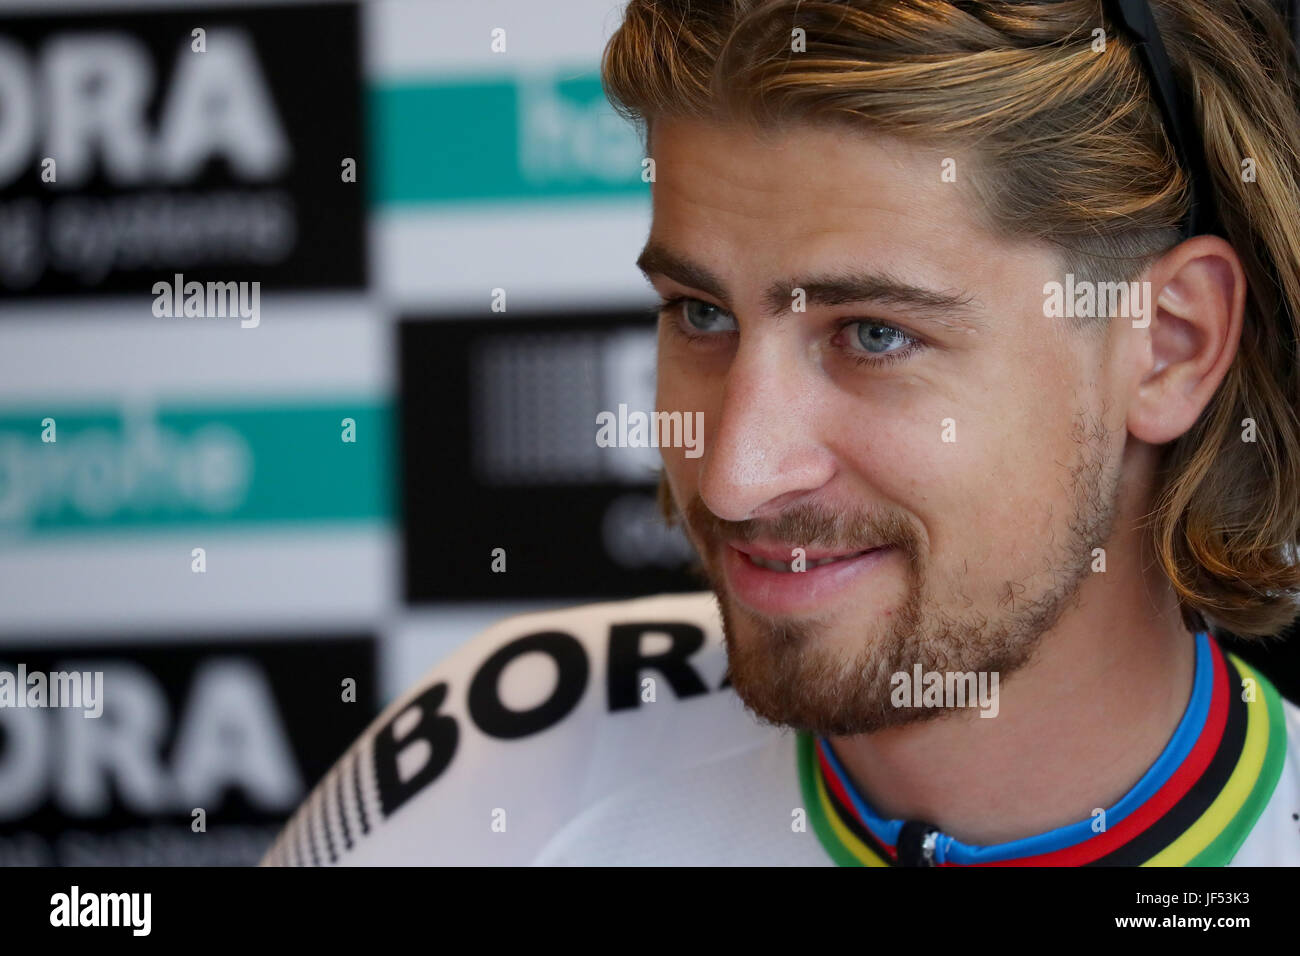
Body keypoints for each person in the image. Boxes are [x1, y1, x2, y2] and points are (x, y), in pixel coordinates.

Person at [264, 0, 1300, 866]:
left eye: (874, 334)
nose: (733, 476)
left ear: (1165, 344)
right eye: (700, 313)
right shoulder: (491, 762)